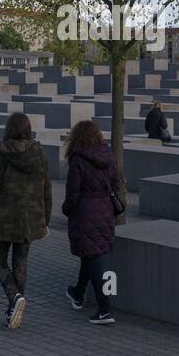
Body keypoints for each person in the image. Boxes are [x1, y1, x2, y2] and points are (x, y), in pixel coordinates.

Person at [0, 112, 51, 329]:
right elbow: (46, 189)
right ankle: (14, 307)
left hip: (4, 218)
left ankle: (14, 297)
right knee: (20, 263)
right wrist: (45, 219)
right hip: (30, 219)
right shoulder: (40, 154)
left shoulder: (2, 155)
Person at [62, 120, 118, 325]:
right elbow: (117, 182)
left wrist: (66, 209)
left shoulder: (78, 159)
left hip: (85, 213)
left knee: (93, 258)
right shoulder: (108, 155)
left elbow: (73, 193)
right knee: (90, 253)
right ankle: (77, 292)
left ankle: (105, 309)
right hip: (105, 212)